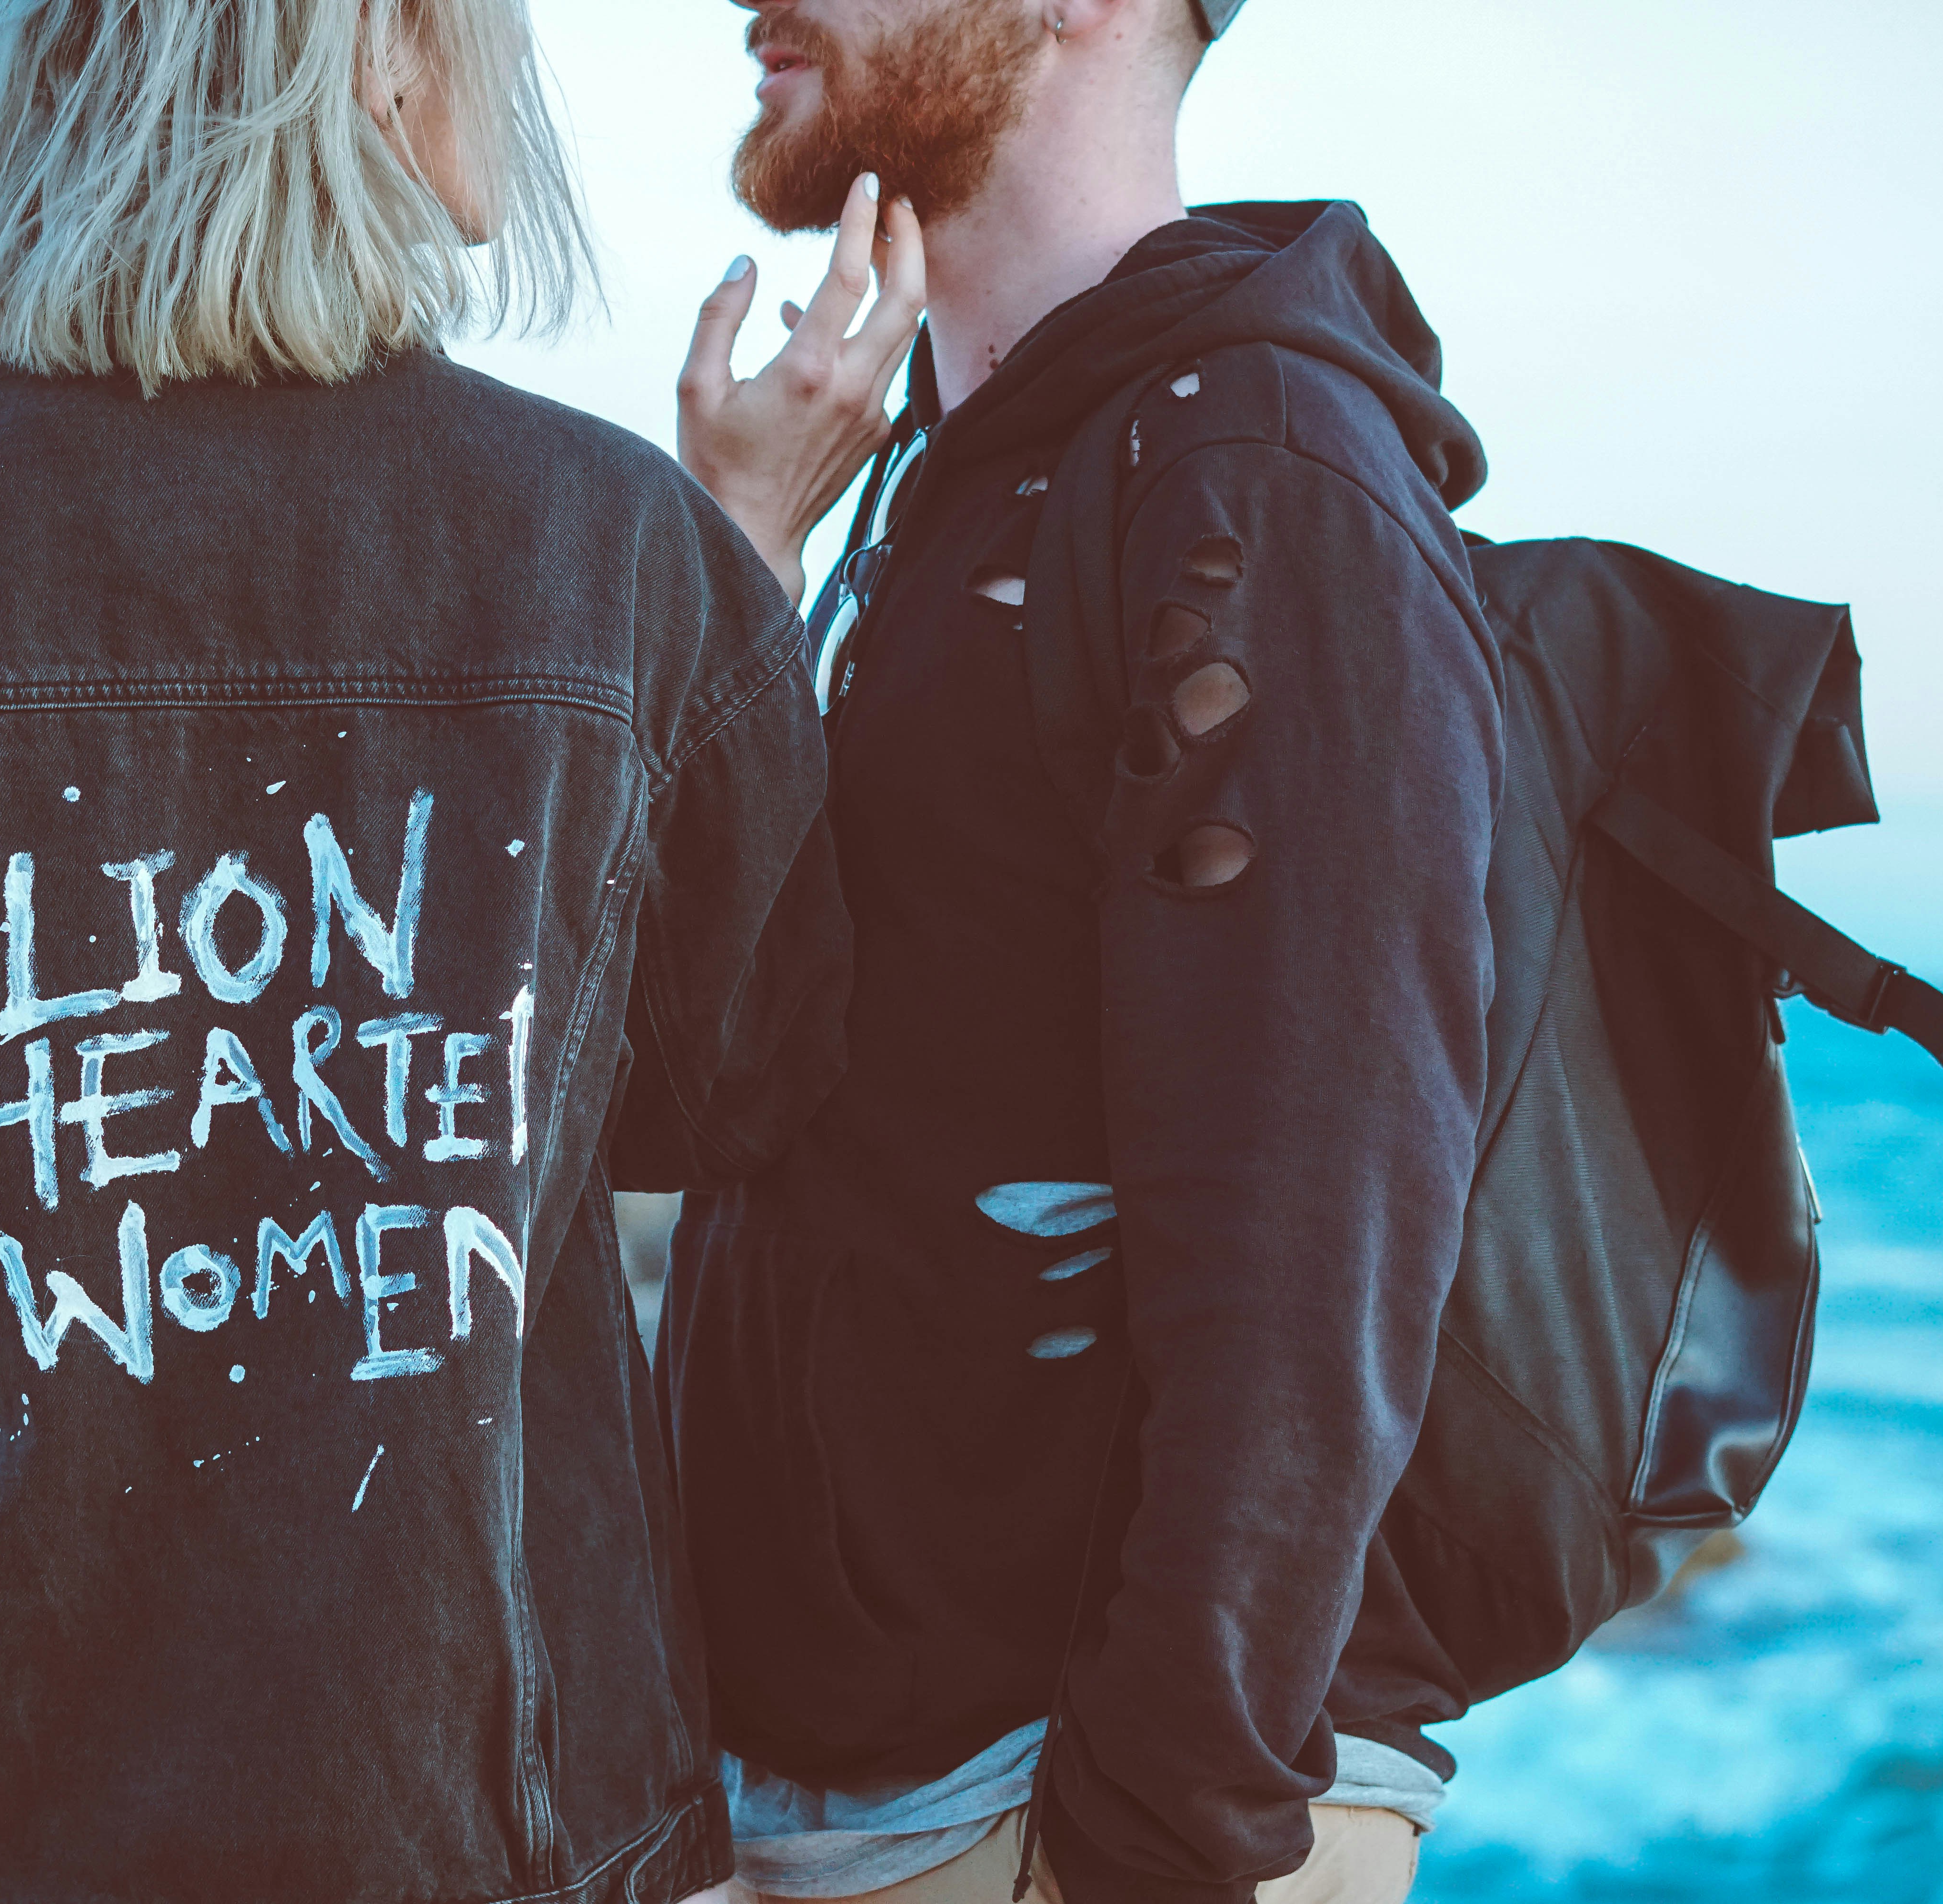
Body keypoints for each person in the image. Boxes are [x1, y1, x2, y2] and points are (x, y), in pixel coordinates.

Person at [0, 2, 854, 1899]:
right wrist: (742, 551)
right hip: (482, 1799)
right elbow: (734, 1081)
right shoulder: (613, 544)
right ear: (387, 49)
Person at [666, 1, 1499, 1900]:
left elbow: (1323, 1248)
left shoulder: (1263, 476)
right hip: (868, 1782)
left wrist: (1153, 1842)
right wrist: (736, 552)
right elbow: (733, 1090)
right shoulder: (927, 483)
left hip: (1067, 1806)